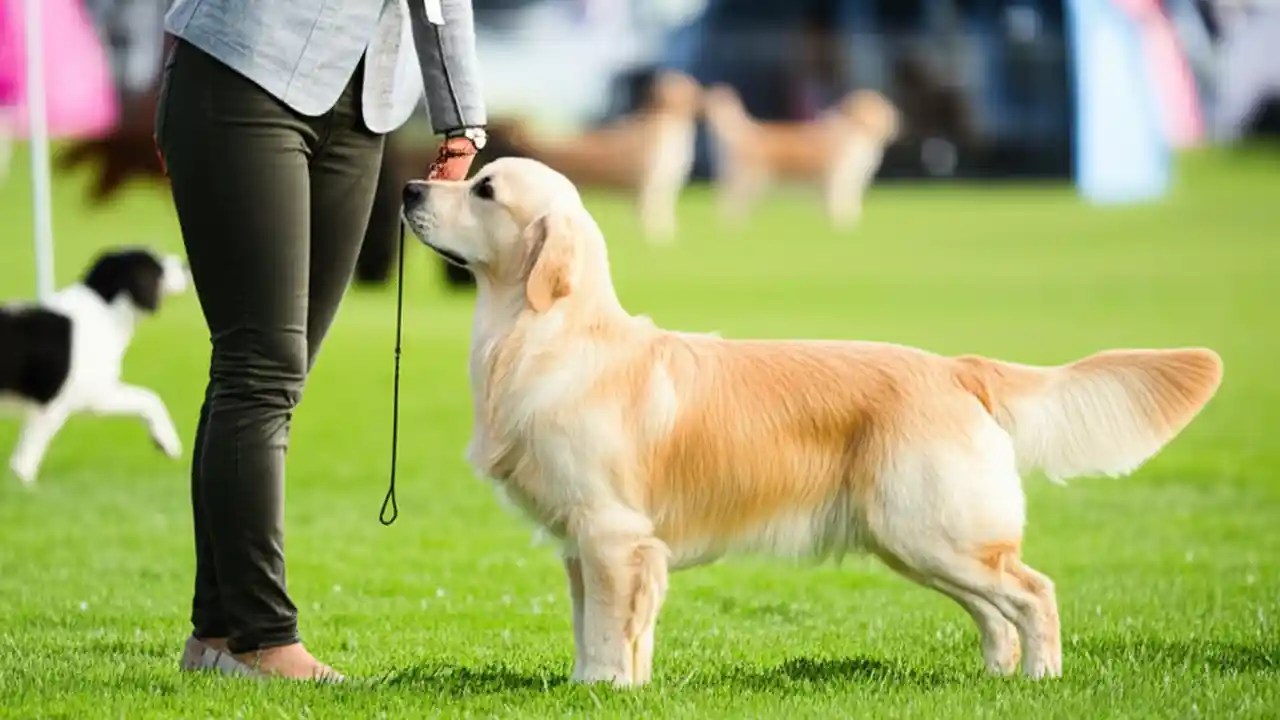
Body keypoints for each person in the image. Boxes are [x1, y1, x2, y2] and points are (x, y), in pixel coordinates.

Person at [155, 0, 487, 681]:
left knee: (276, 374)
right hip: (245, 70)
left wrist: (461, 117)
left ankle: (217, 637)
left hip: (364, 102)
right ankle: (263, 637)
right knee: (260, 368)